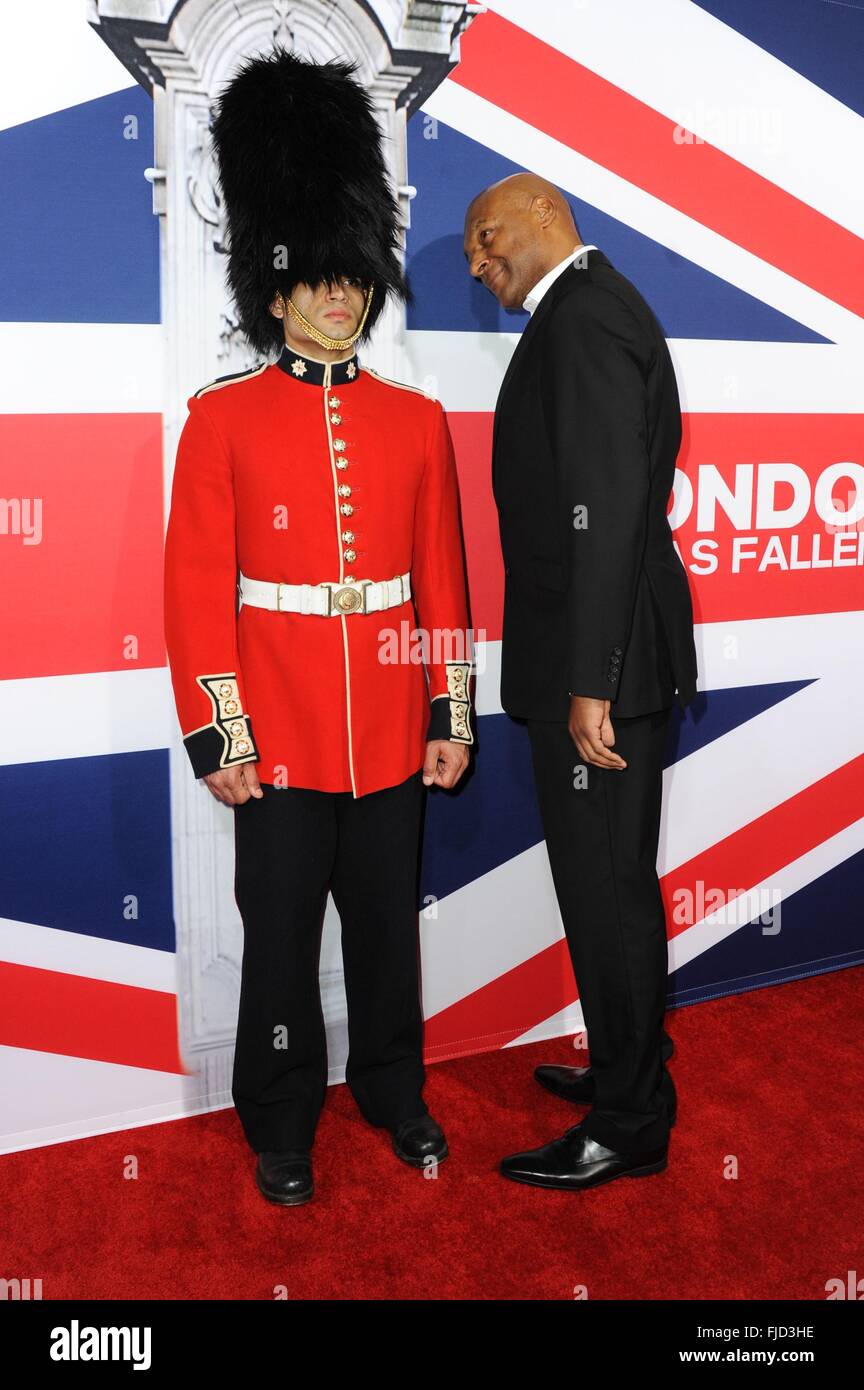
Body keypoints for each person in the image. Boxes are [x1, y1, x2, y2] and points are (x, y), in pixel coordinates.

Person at [164, 48, 474, 1207]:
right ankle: (282, 1115)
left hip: (393, 727)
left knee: (388, 933)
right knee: (282, 939)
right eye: (320, 276)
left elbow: (440, 580)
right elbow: (198, 590)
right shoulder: (224, 422)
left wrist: (449, 710)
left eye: (355, 275)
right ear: (275, 285)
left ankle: (397, 1091)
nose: (341, 294)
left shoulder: (414, 420)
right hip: (283, 731)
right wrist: (222, 731)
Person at [464, 172, 697, 1191]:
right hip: (597, 660)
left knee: (607, 894)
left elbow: (602, 506)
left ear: (545, 216)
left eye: (485, 238)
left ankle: (632, 1121)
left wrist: (593, 678)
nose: (476, 262)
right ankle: (624, 1067)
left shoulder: (587, 316)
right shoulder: (586, 308)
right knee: (607, 884)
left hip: (600, 673)